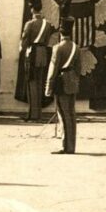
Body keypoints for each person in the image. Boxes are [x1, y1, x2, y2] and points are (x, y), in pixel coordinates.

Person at [45, 21, 83, 154]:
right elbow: (79, 69)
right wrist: (74, 79)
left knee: (63, 114)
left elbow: (53, 69)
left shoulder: (57, 48)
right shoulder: (76, 47)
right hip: (72, 81)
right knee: (71, 114)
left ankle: (66, 146)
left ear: (60, 33)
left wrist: (49, 88)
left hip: (61, 83)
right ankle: (71, 146)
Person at [18, 0, 52, 123]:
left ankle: (33, 114)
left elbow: (25, 41)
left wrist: (23, 51)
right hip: (42, 54)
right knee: (39, 83)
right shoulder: (47, 24)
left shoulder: (29, 24)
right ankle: (38, 113)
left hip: (32, 53)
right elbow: (47, 41)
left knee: (31, 83)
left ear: (32, 9)